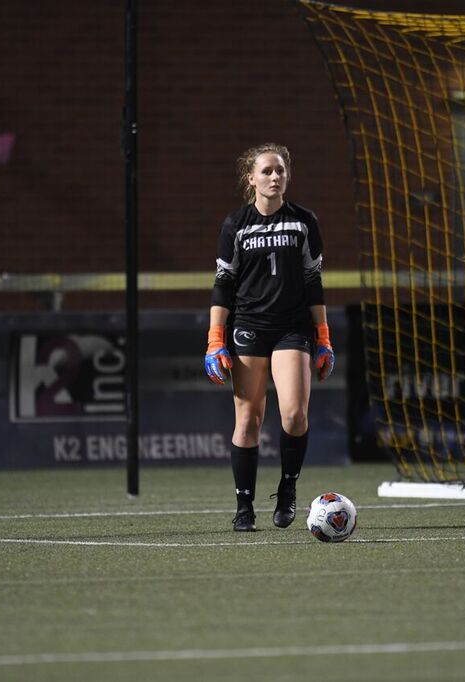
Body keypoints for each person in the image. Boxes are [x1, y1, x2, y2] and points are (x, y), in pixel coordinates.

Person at [204, 142, 335, 532]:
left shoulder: (304, 221)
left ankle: (288, 488)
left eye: (280, 170)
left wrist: (324, 336)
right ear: (252, 179)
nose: (274, 176)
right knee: (249, 420)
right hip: (249, 326)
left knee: (294, 415)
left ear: (288, 176)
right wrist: (215, 339)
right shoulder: (236, 225)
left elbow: (313, 282)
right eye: (266, 171)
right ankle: (244, 507)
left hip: (293, 327)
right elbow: (223, 284)